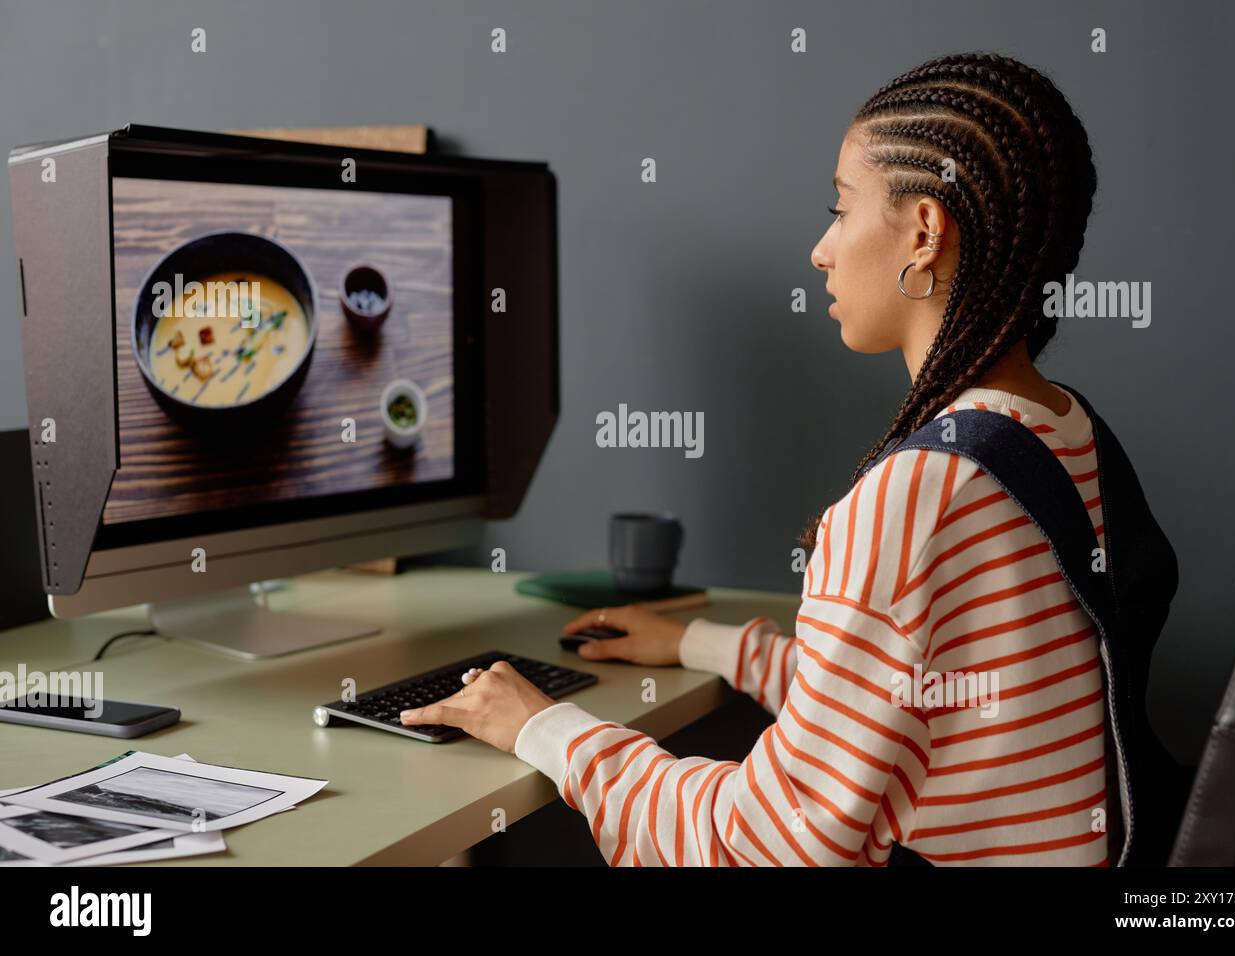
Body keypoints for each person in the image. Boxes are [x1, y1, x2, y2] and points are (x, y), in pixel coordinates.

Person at [400, 51, 1173, 866]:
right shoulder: (1066, 431)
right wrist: (705, 645)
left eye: (840, 210)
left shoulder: (918, 494)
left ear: (923, 231)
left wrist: (541, 726)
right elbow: (901, 684)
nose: (821, 250)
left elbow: (760, 847)